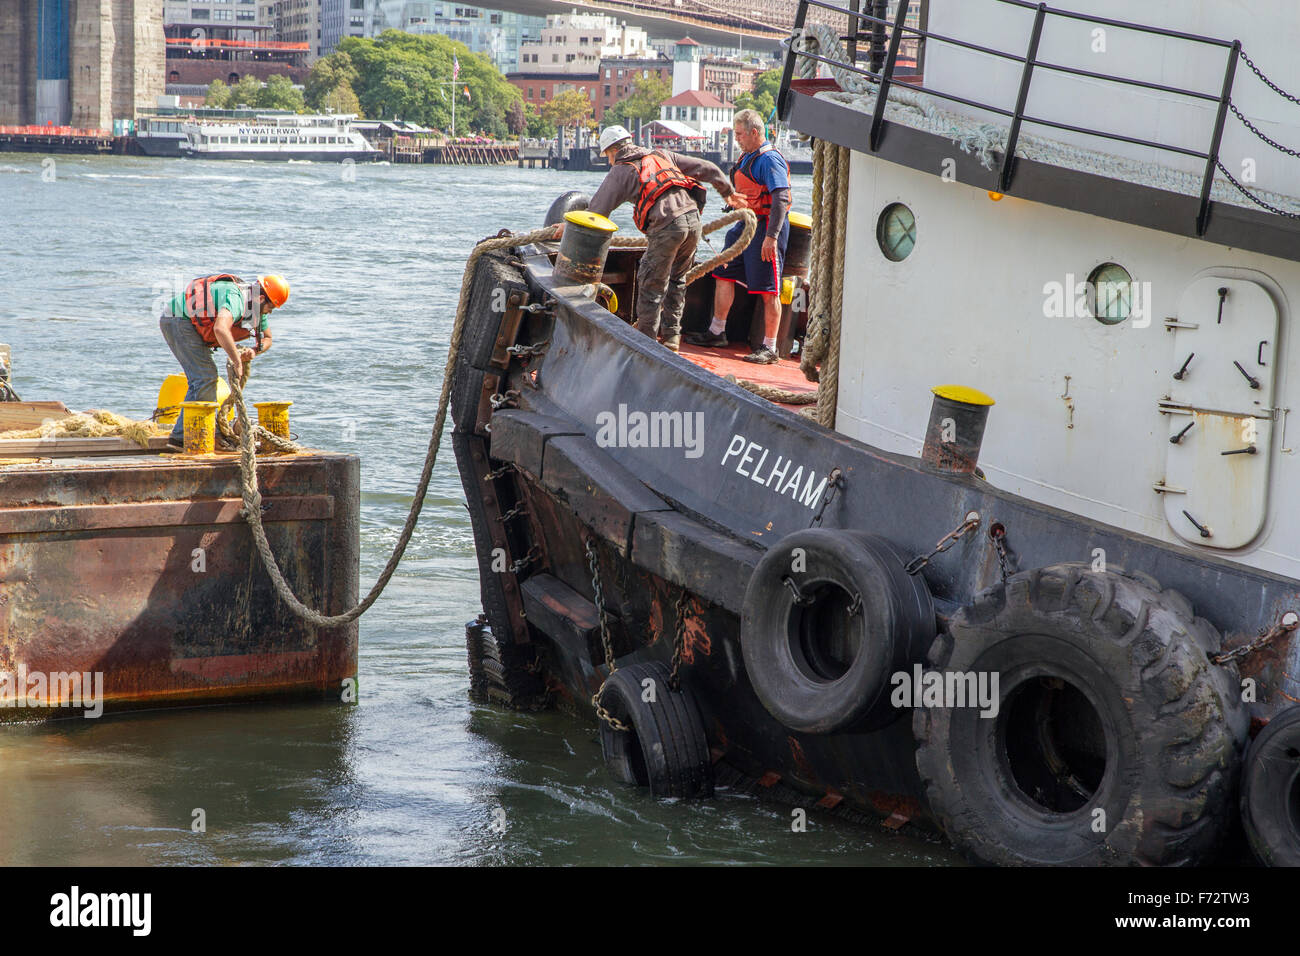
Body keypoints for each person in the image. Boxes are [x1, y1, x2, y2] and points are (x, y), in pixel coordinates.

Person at [579, 124, 739, 351]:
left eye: (607, 156)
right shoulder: (662, 154)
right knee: (677, 281)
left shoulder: (622, 170)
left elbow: (595, 213)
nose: (608, 162)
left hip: (667, 226)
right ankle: (672, 338)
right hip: (693, 222)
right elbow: (707, 167)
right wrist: (728, 192)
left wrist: (565, 227)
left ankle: (645, 345)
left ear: (612, 151)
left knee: (651, 285)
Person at [685, 109, 792, 365]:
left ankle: (770, 347)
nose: (737, 140)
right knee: (723, 274)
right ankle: (716, 331)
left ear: (755, 133)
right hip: (743, 226)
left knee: (769, 290)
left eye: (741, 134)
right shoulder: (748, 156)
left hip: (765, 228)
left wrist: (771, 237)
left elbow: (780, 198)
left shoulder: (769, 160)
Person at [159, 273, 289, 450]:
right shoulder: (236, 299)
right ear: (260, 298)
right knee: (204, 377)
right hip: (177, 320)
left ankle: (207, 433)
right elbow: (220, 328)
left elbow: (267, 338)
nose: (270, 312)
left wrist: (254, 351)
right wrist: (237, 361)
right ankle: (182, 437)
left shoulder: (257, 307)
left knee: (204, 377)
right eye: (270, 308)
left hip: (190, 324)